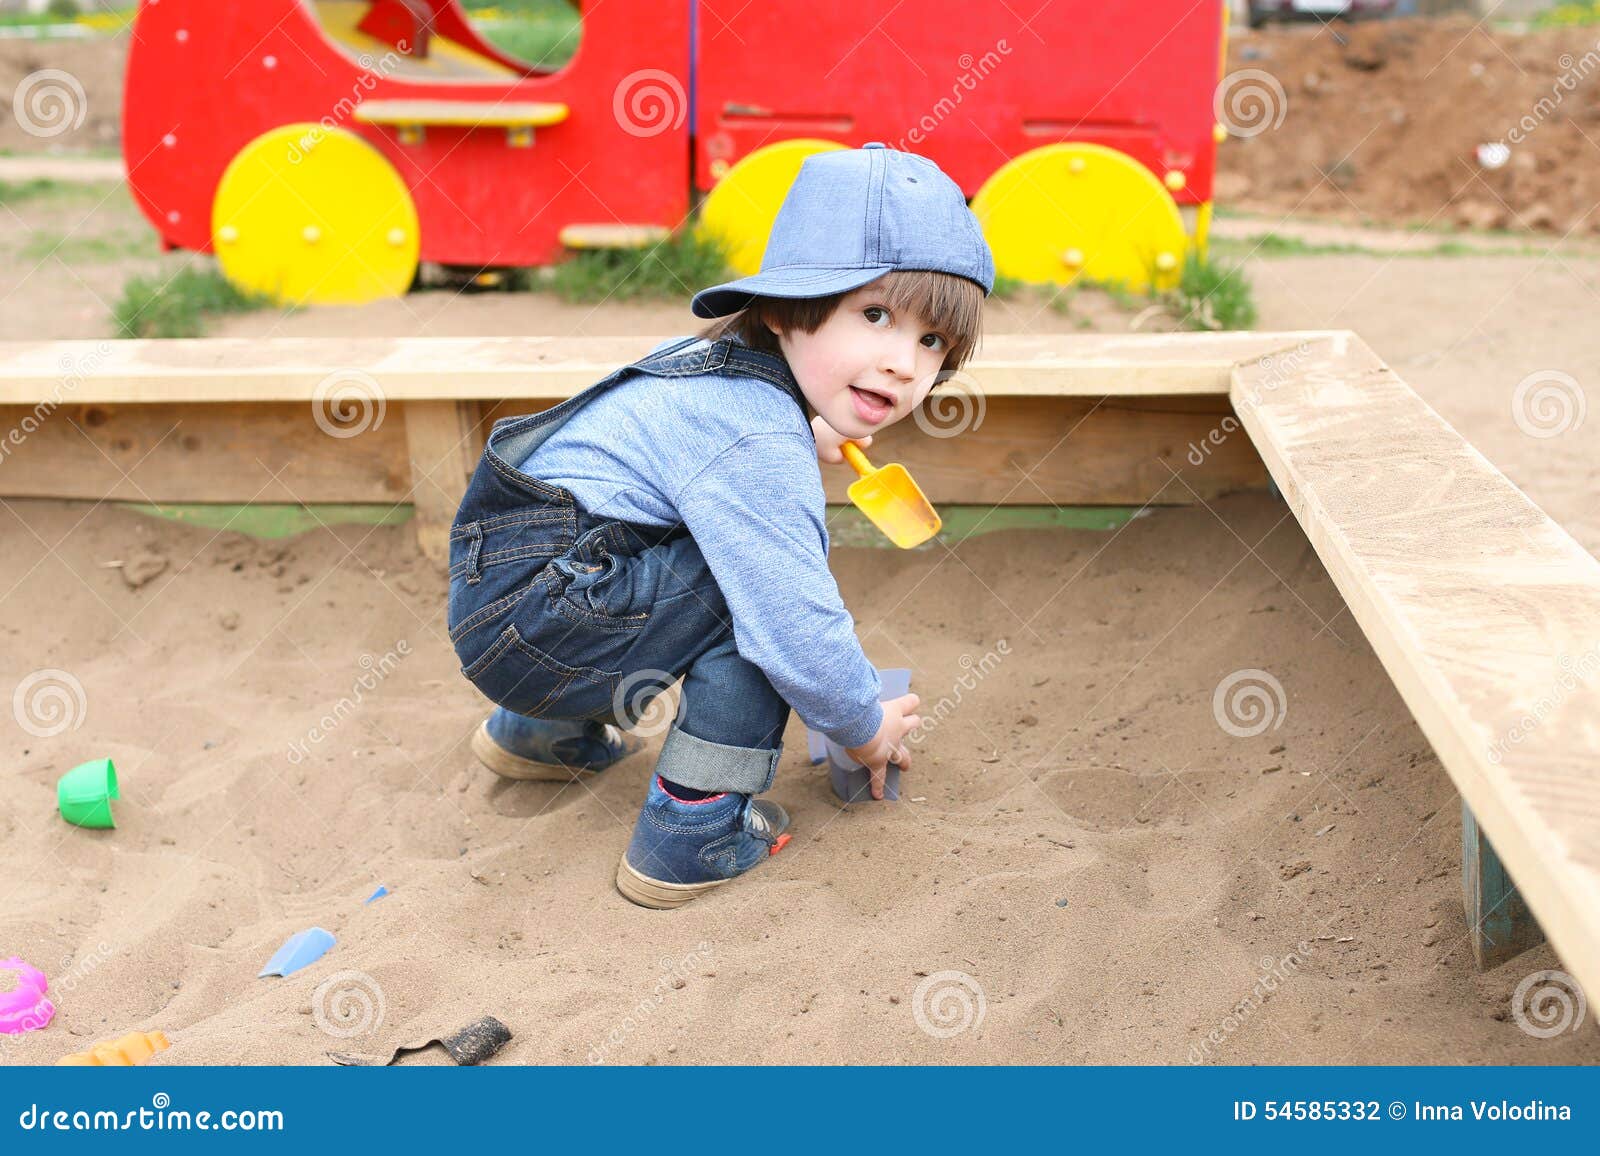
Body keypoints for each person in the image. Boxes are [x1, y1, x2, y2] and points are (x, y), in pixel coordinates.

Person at [447, 143, 994, 908]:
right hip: (549, 623)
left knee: (685, 558)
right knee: (759, 607)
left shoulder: (709, 366)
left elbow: (684, 453)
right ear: (783, 309)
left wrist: (807, 436)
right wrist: (863, 726)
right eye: (875, 315)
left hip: (506, 594)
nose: (905, 362)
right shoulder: (753, 439)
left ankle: (538, 737)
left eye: (932, 340)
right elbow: (795, 624)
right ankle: (690, 835)